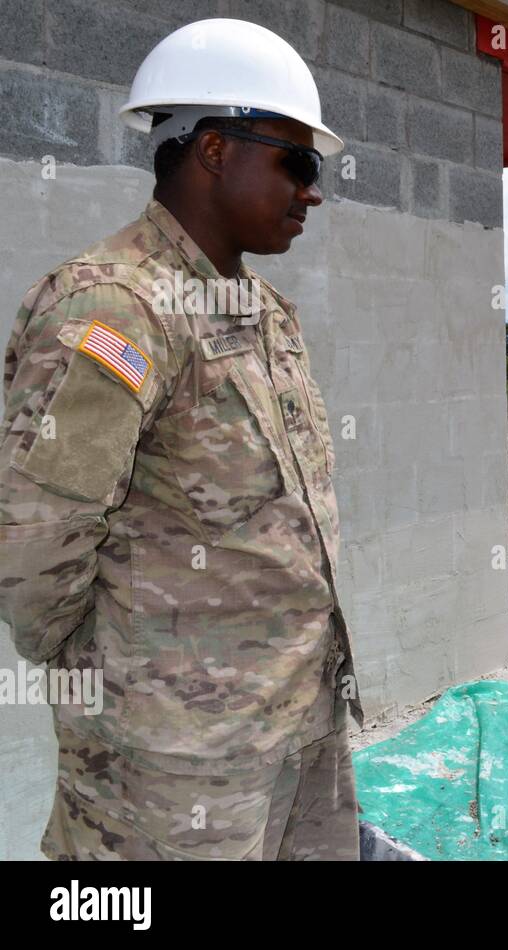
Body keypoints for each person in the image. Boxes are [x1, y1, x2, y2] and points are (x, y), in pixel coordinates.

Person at [0, 18, 362, 859]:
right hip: (173, 764)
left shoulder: (261, 311)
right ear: (210, 150)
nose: (312, 191)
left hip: (299, 720)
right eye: (297, 163)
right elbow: (33, 555)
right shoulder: (114, 308)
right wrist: (123, 692)